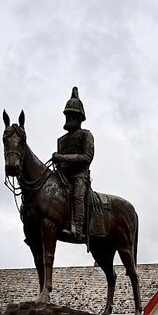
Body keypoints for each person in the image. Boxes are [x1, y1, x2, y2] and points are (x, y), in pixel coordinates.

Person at [52, 87, 95, 242]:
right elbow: (61, 164)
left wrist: (62, 157)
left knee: (77, 195)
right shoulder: (61, 140)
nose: (68, 117)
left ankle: (77, 228)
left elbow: (87, 157)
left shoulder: (86, 135)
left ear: (79, 117)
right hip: (63, 177)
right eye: (67, 114)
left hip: (79, 176)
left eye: (72, 114)